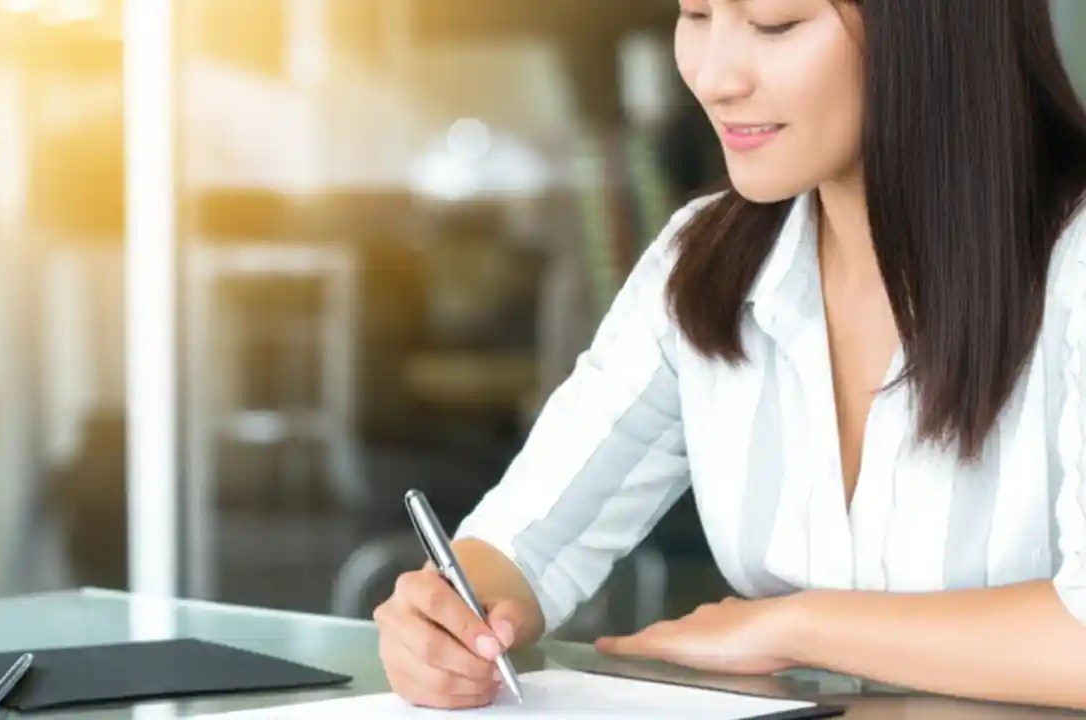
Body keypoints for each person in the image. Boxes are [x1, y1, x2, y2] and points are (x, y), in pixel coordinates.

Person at [373, 0, 1086, 711]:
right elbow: (526, 543)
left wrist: (795, 626)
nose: (714, 79)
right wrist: (448, 620)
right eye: (695, 15)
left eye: (775, 25)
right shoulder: (705, 265)